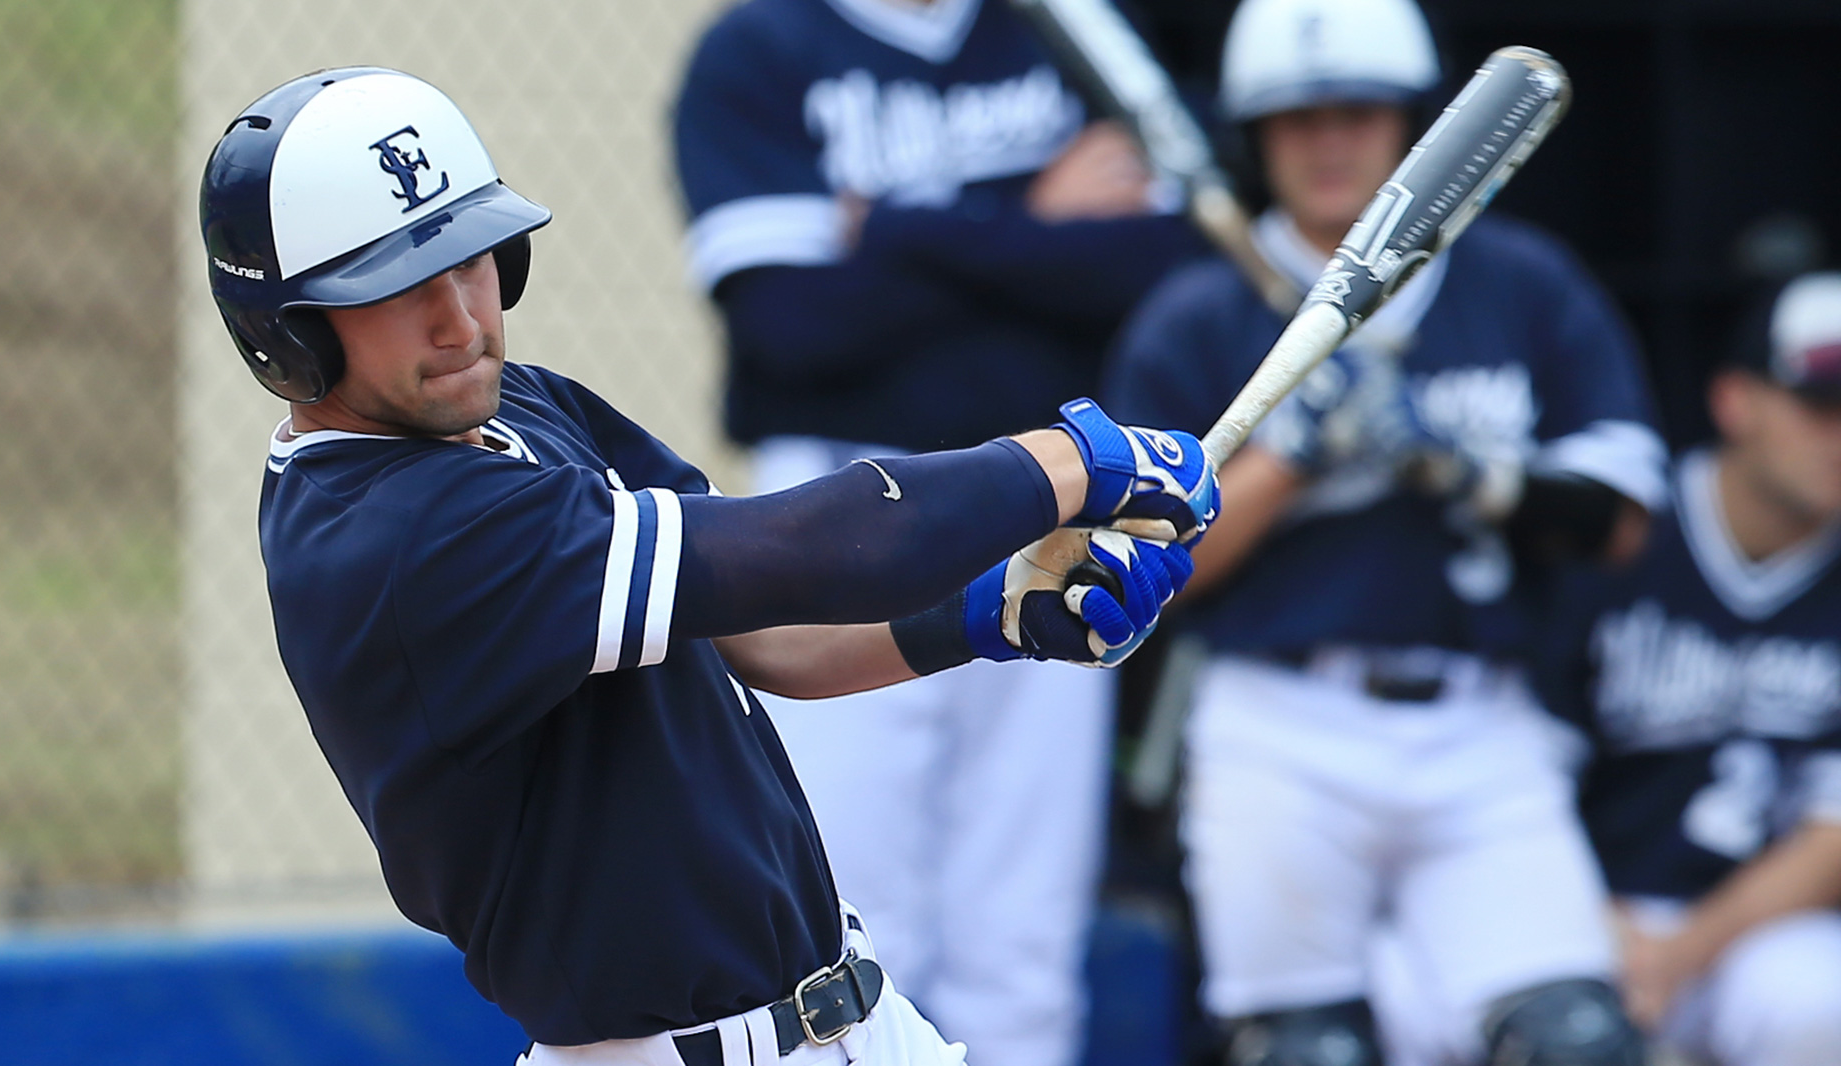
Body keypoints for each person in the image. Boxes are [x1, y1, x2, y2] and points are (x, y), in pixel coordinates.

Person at [199, 67, 1217, 1066]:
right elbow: (807, 544)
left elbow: (764, 623)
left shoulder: (514, 408)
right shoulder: (392, 536)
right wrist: (1068, 460)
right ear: (290, 337)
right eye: (401, 289)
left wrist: (992, 610)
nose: (463, 320)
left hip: (860, 1013)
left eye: (471, 260)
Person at [1100, 0, 1667, 1062]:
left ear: (1409, 124)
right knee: (1305, 1048)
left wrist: (1462, 472)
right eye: (1295, 117)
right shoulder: (1198, 314)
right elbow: (1141, 576)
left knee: (1576, 1037)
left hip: (1482, 720)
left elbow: (1622, 520)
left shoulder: (1522, 283)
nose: (1327, 143)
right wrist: (1289, 452)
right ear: (1255, 135)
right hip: (1279, 715)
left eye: (1355, 113)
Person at [669, 4, 1208, 1065]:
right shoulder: (762, 48)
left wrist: (912, 230)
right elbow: (793, 324)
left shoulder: (1074, 28)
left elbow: (1166, 262)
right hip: (834, 513)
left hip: (1053, 497)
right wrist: (1040, 229)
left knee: (1025, 932)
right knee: (847, 909)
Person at [1541, 271, 1841, 1066]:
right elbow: (1513, 766)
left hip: (1749, 931)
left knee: (1822, 1000)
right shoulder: (1625, 534)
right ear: (1735, 401)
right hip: (1577, 904)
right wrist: (1589, 927)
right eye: (1822, 407)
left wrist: (1677, 956)